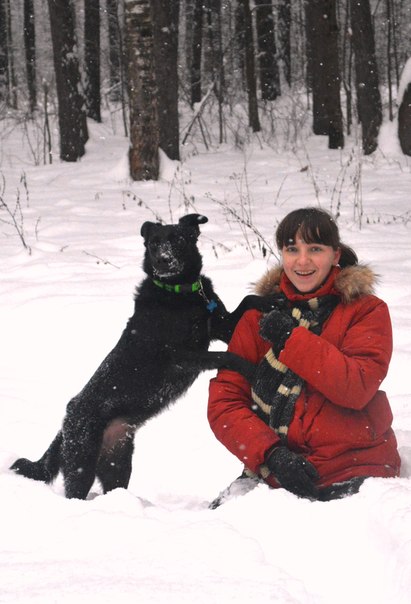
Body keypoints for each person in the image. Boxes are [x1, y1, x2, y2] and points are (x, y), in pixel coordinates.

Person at [208, 207, 400, 505]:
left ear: (335, 255)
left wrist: (290, 339)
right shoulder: (259, 316)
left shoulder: (365, 310)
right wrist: (271, 454)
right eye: (292, 249)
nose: (302, 261)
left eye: (315, 249)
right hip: (276, 472)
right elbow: (226, 401)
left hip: (356, 467)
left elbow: (357, 387)